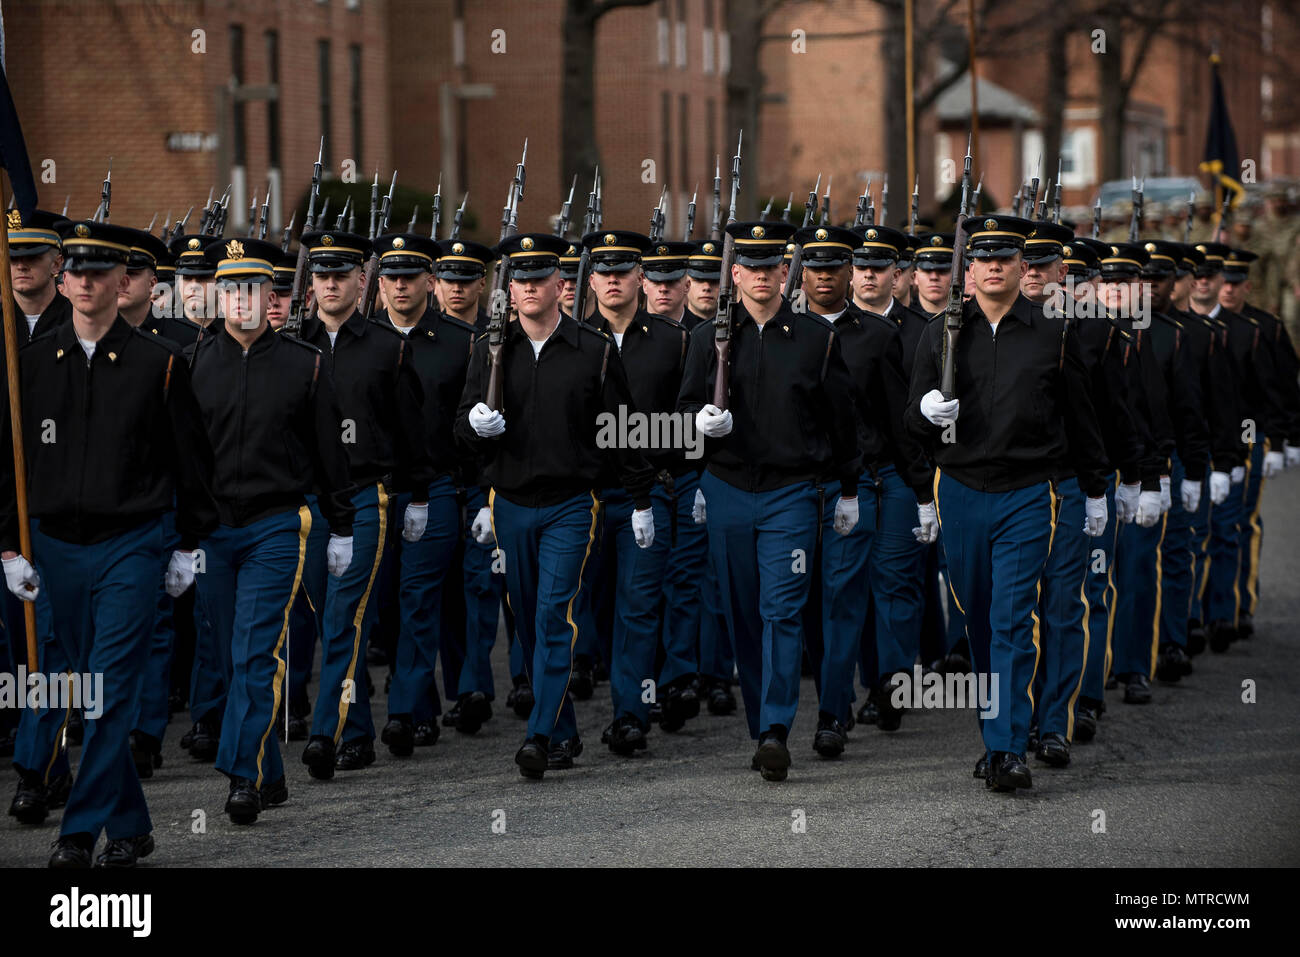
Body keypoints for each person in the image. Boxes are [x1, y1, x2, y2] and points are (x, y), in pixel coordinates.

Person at [1, 219, 218, 866]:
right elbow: (7, 463)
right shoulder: (30, 367)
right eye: (79, 270)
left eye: (103, 271)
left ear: (121, 280)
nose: (89, 281)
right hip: (54, 548)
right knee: (82, 688)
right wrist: (10, 548)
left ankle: (76, 833)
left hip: (131, 543)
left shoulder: (161, 363)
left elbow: (191, 461)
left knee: (109, 691)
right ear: (62, 279)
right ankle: (130, 822)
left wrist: (187, 545)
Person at [906, 214, 1109, 792]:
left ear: (1024, 266)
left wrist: (1095, 489)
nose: (995, 266)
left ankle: (1007, 747)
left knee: (1013, 619)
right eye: (984, 257)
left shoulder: (1055, 329)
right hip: (962, 489)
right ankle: (998, 732)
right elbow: (908, 425)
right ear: (967, 270)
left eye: (1006, 257)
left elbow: (1080, 416)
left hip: (1028, 492)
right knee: (978, 621)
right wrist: (924, 415)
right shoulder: (943, 330)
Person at [455, 232, 656, 779]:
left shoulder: (592, 350)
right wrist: (476, 431)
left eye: (538, 279)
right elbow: (460, 432)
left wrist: (640, 500)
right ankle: (563, 730)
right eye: (518, 280)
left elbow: (622, 428)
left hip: (572, 503)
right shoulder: (489, 348)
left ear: (560, 286)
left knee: (553, 614)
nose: (527, 289)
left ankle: (539, 734)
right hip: (511, 503)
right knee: (525, 620)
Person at [678, 220, 862, 782]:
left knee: (781, 611)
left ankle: (777, 728)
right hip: (729, 489)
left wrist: (848, 489)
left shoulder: (814, 337)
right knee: (741, 612)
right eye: (749, 267)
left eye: (770, 267)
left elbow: (842, 421)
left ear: (786, 272)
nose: (760, 276)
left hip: (791, 494)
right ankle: (762, 725)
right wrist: (697, 428)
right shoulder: (709, 337)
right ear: (734, 273)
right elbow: (680, 415)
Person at [186, 237, 355, 822]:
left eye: (254, 288)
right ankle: (270, 772)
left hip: (276, 526)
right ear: (220, 295)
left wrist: (343, 527)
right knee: (234, 660)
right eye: (231, 288)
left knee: (257, 653)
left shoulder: (305, 363)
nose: (242, 299)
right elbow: (183, 458)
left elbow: (332, 453)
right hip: (212, 533)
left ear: (270, 295)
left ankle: (242, 777)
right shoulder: (193, 362)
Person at [292, 228, 434, 778]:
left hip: (366, 496)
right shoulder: (292, 344)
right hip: (309, 504)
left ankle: (326, 731)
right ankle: (358, 730)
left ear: (361, 280)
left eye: (340, 274)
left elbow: (410, 430)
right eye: (321, 275)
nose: (330, 284)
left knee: (345, 615)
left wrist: (418, 494)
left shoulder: (386, 348)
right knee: (329, 620)